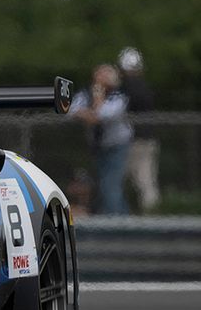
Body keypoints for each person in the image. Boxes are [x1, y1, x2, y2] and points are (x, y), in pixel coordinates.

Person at [68, 64, 133, 216]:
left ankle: (116, 221)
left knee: (111, 184)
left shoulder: (119, 96)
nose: (98, 82)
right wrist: (90, 114)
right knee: (104, 184)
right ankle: (124, 219)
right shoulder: (85, 94)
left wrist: (98, 99)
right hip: (98, 146)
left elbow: (103, 115)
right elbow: (70, 110)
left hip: (117, 145)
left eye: (103, 78)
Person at [118, 47, 160, 213]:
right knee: (145, 179)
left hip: (133, 140)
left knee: (139, 179)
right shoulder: (145, 87)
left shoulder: (125, 88)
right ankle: (150, 213)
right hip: (146, 138)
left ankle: (146, 214)